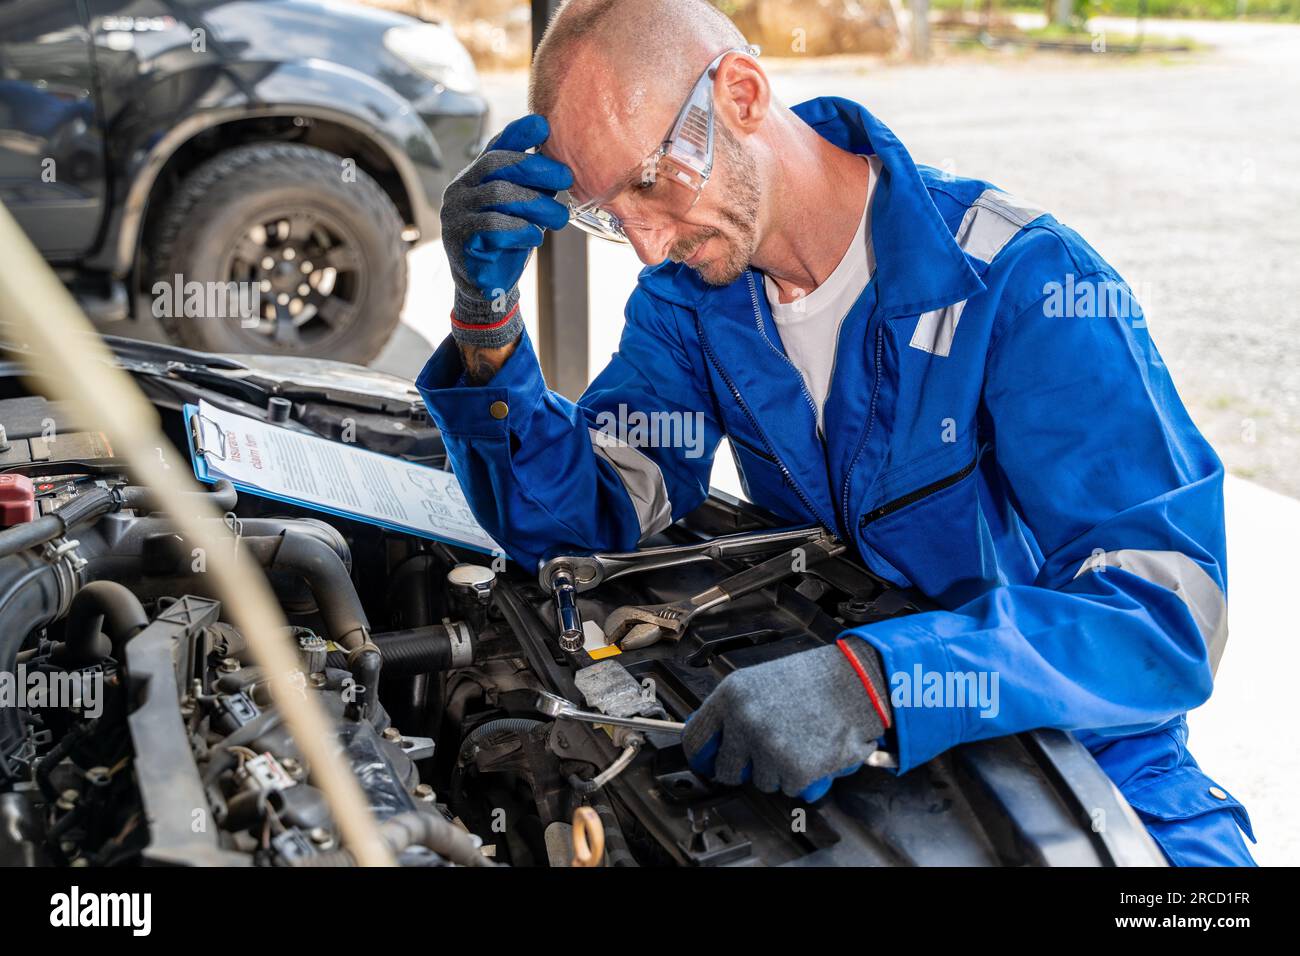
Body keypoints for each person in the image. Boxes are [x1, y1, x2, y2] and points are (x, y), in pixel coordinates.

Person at [417, 0, 1255, 865]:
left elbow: (1166, 612)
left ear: (740, 94)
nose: (646, 245)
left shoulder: (1022, 283)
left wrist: (886, 679)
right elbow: (585, 519)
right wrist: (487, 323)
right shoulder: (693, 298)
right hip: (833, 739)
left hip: (1091, 761)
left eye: (648, 182)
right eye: (608, 213)